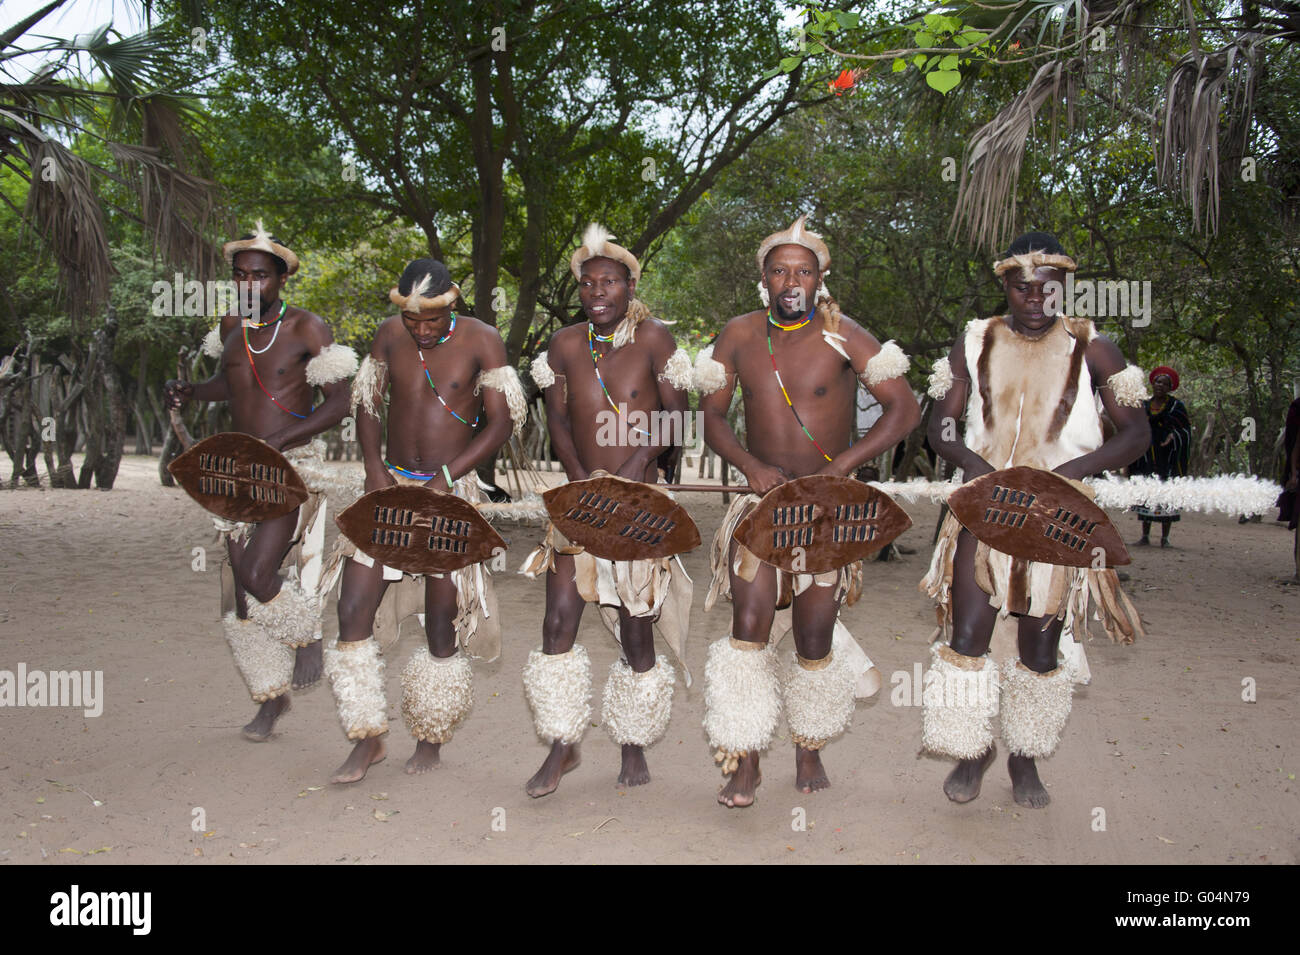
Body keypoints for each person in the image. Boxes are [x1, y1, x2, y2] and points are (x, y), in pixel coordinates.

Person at [694, 216, 920, 807]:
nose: (790, 281)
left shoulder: (848, 334)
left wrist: (843, 466)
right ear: (763, 279)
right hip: (760, 503)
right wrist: (749, 466)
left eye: (803, 271)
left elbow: (904, 410)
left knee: (814, 638)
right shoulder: (739, 335)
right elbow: (712, 415)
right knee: (749, 628)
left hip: (825, 510)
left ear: (820, 279)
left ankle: (809, 745)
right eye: (779, 271)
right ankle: (743, 760)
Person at [920, 232, 1149, 808]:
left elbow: (1137, 433)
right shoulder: (974, 340)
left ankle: (1024, 758)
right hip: (984, 506)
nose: (1035, 299)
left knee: (1039, 651)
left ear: (1064, 289)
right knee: (968, 637)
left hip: (1057, 516)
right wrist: (978, 469)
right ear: (1006, 287)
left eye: (1048, 289)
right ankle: (972, 751)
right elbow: (938, 426)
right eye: (1022, 288)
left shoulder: (1095, 347)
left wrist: (1066, 474)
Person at [321, 259, 525, 783]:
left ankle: (431, 735)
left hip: (449, 493)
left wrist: (448, 477)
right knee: (352, 608)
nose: (422, 328)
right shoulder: (389, 335)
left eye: (431, 319)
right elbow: (366, 403)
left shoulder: (484, 340)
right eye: (413, 320)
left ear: (451, 302)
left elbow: (500, 422)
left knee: (441, 620)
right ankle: (367, 737)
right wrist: (372, 467)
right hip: (388, 486)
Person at [518, 224, 694, 796]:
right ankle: (561, 745)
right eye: (588, 283)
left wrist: (640, 465)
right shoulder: (564, 345)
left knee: (634, 629)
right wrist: (577, 484)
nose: (598, 291)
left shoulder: (656, 340)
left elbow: (676, 416)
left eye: (610, 282)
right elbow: (561, 423)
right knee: (557, 621)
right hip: (581, 502)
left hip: (639, 503)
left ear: (630, 285)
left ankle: (633, 742)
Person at [165, 223, 356, 741]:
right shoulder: (230, 326)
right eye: (240, 275)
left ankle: (306, 634)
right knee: (244, 600)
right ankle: (270, 701)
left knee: (255, 570)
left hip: (290, 466)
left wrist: (284, 441)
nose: (248, 284)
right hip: (239, 469)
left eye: (259, 275)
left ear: (281, 279)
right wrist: (190, 391)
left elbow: (340, 402)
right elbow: (228, 386)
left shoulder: (306, 328)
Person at [1130, 366, 1192, 546]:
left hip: (1168, 458)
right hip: (1147, 456)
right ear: (1153, 383)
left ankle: (1165, 538)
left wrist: (1174, 436)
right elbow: (1135, 428)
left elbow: (1185, 431)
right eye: (1158, 382)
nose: (1160, 385)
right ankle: (1145, 536)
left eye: (1165, 383)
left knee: (1166, 494)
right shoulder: (1144, 405)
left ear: (1170, 387)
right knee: (1147, 493)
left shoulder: (1176, 407)